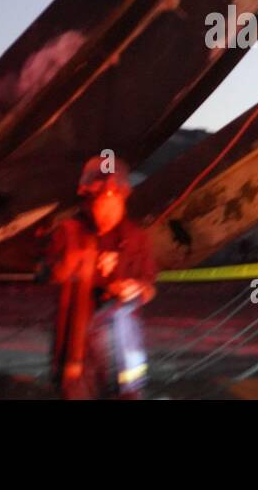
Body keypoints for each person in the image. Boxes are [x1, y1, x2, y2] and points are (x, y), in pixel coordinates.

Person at [42, 154, 157, 399]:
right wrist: (68, 261)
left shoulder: (136, 237)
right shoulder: (68, 232)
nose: (108, 205)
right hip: (77, 351)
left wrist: (136, 288)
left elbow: (149, 283)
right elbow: (45, 273)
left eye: (115, 199)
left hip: (122, 353)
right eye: (101, 198)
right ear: (87, 198)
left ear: (123, 197)